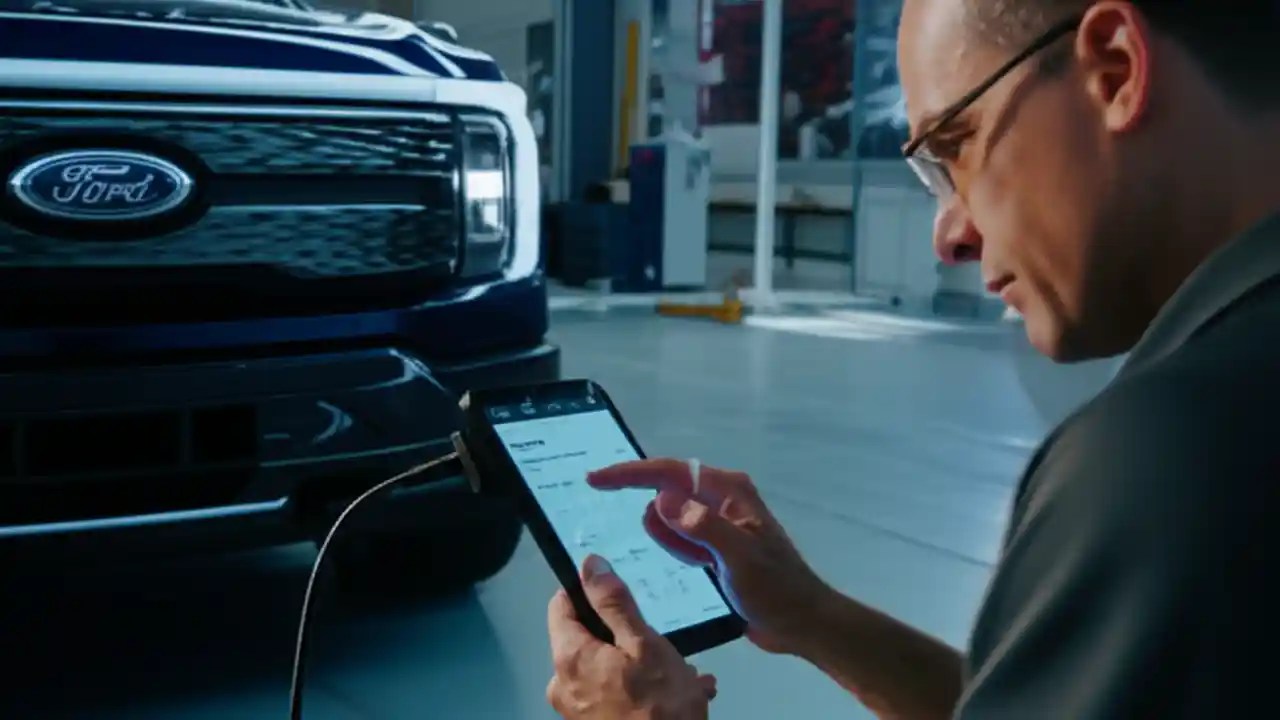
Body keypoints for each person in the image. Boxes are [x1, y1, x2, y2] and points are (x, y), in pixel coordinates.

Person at [544, 1, 1280, 717]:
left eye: (955, 147)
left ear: (1114, 70)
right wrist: (810, 615)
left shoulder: (1169, 458)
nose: (950, 235)